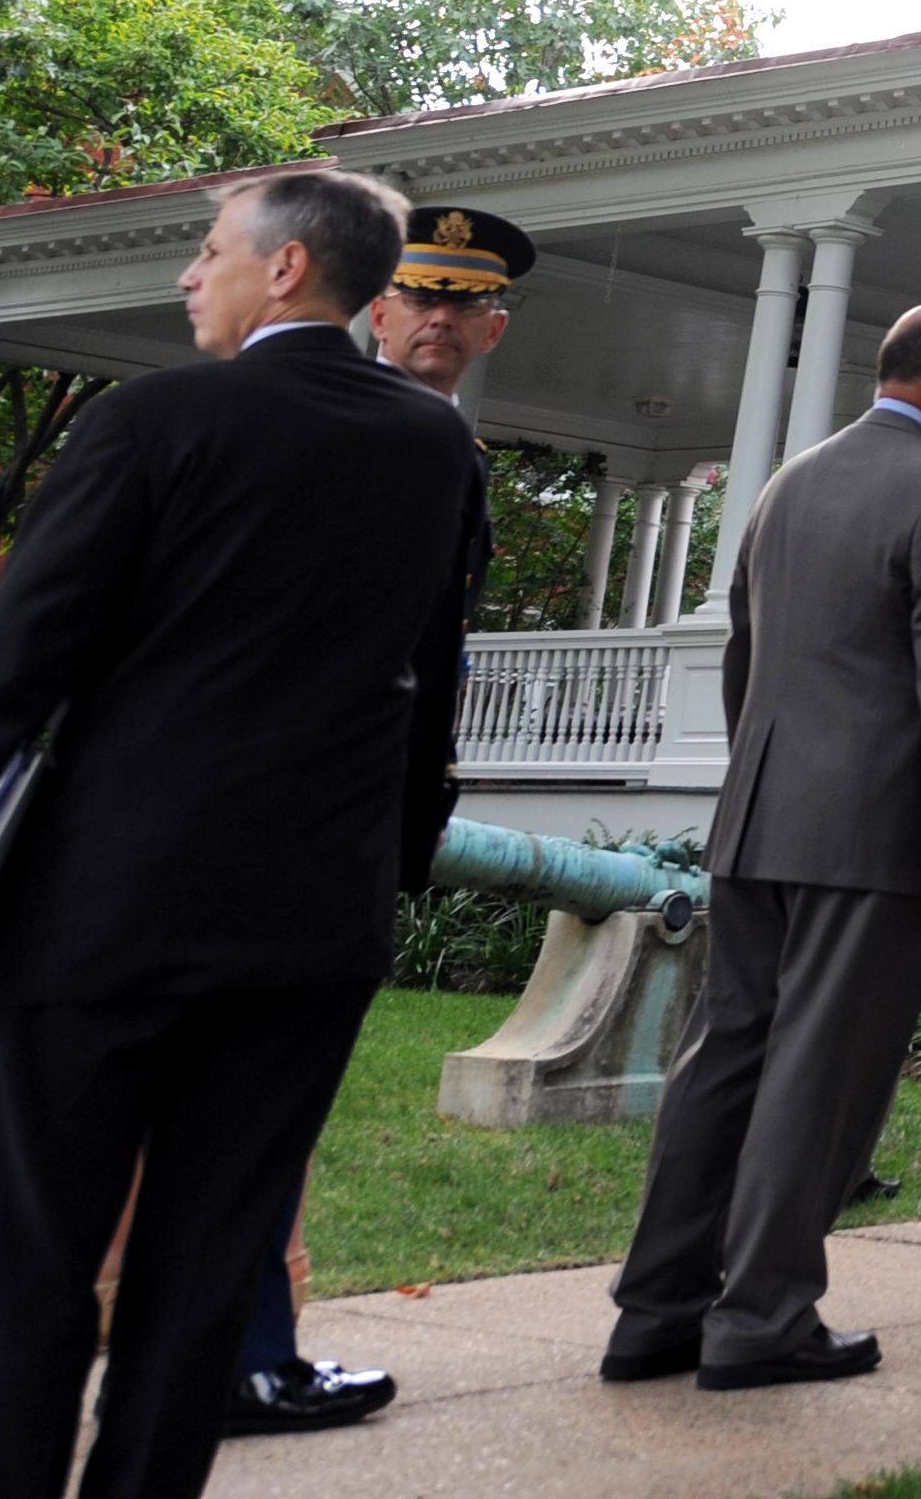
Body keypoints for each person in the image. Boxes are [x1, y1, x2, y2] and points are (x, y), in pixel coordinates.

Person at [0, 168, 482, 1499]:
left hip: (105, 912)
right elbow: (432, 687)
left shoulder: (154, 418)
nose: (186, 277)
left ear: (284, 269)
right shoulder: (435, 449)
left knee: (17, 1257)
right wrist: (386, 879)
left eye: (208, 252)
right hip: (312, 927)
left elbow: (13, 665)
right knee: (206, 1268)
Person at [602, 306, 921, 1393]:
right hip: (871, 831)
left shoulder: (787, 482)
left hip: (760, 814)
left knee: (722, 1056)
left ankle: (657, 1311)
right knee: (820, 1074)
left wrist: (763, 782)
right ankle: (763, 1318)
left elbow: (745, 652)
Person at [214, 205, 538, 1441]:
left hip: (337, 815)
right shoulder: (326, 424)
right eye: (421, 295)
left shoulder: (443, 449)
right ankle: (245, 1354)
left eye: (465, 305)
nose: (440, 320)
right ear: (375, 307)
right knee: (250, 1103)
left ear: (491, 328)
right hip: (292, 815)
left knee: (251, 1103)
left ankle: (238, 1342)